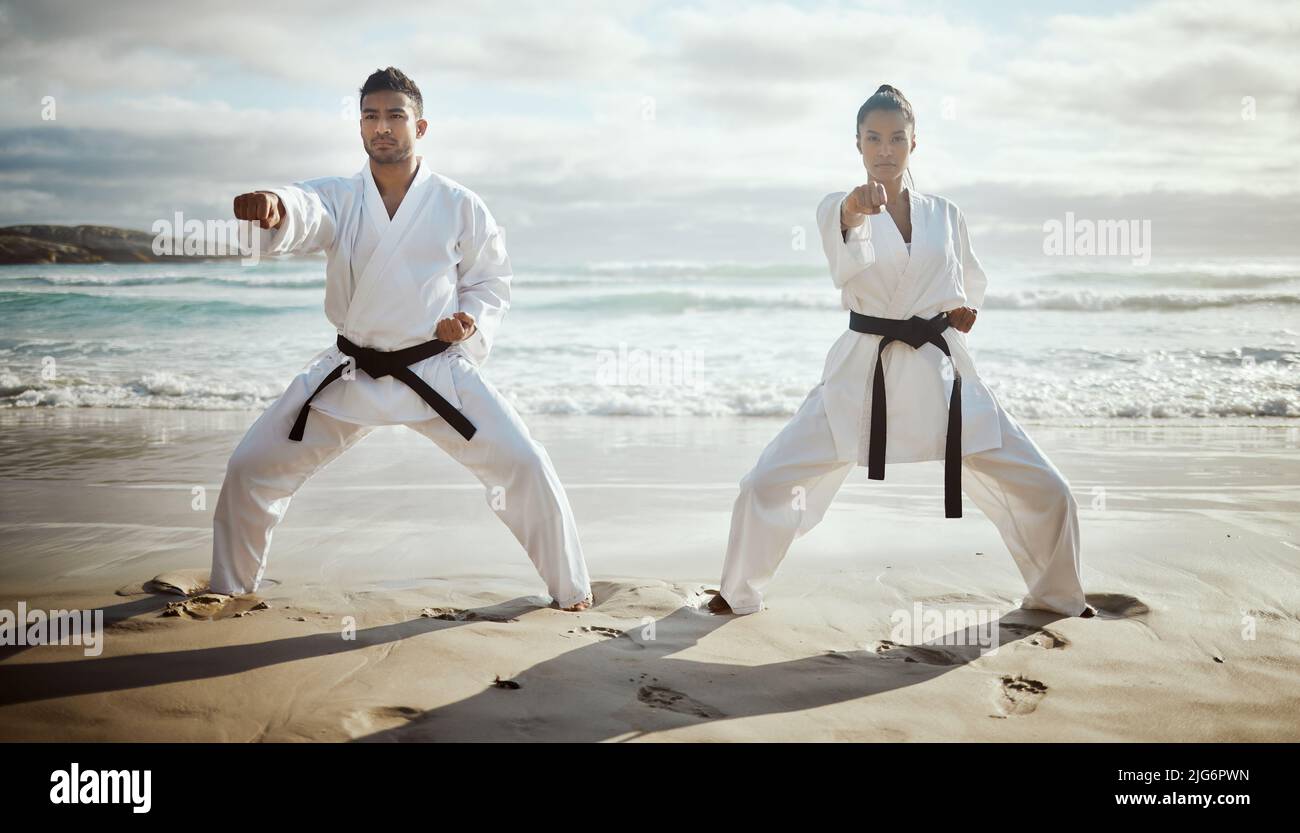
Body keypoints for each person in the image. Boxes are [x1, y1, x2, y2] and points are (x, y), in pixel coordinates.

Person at [210, 67, 592, 611]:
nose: (381, 127)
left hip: (434, 372)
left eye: (394, 116)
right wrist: (275, 206)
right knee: (250, 468)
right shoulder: (341, 196)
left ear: (422, 126)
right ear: (359, 126)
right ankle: (228, 590)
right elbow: (304, 207)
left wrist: (469, 321)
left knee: (527, 466)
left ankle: (572, 594)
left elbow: (490, 280)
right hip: (351, 371)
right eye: (370, 116)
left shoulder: (459, 203)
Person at [710, 84, 1094, 619]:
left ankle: (1058, 595)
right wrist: (855, 206)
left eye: (896, 138)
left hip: (941, 376)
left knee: (1049, 488)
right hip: (863, 376)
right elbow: (844, 238)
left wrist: (960, 314)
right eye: (873, 138)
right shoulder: (839, 206)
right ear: (858, 144)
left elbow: (967, 284)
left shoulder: (946, 213)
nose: (884, 149)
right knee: (765, 482)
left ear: (915, 143)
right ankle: (736, 593)